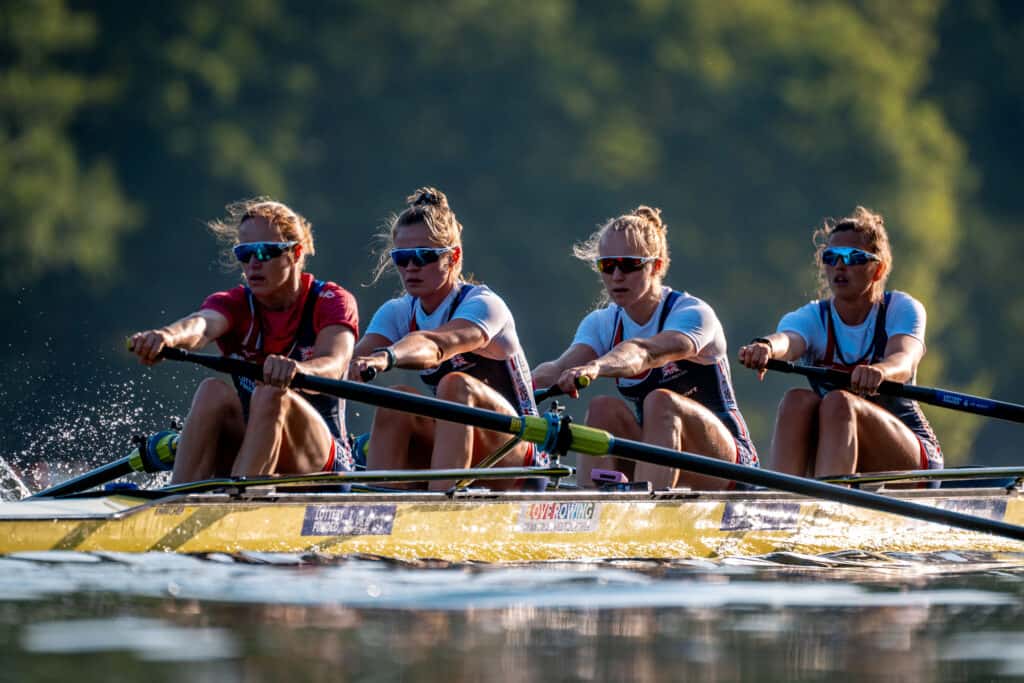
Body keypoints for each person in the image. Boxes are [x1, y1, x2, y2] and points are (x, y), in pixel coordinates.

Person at [129, 199, 359, 483]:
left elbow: (335, 365)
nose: (253, 263)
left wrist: (299, 370)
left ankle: (240, 499)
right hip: (257, 441)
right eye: (244, 253)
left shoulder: (331, 301)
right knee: (211, 391)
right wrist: (167, 336)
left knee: (271, 393)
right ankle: (175, 500)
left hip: (324, 462)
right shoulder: (235, 304)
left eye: (264, 252)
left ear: (295, 253)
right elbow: (201, 326)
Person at [532, 206, 759, 490]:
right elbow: (557, 369)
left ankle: (645, 511)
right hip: (664, 458)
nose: (616, 275)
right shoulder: (603, 322)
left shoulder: (692, 313)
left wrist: (597, 366)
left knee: (660, 401)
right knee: (602, 408)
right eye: (607, 265)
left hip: (729, 466)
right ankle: (589, 512)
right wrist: (518, 389)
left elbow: (644, 353)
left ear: (657, 266)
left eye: (629, 265)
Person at [349, 187, 544, 491]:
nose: (411, 267)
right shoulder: (397, 311)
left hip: (518, 454)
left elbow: (436, 346)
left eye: (424, 257)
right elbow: (348, 365)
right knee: (396, 400)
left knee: (456, 384)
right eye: (402, 258)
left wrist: (385, 357)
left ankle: (441, 502)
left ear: (453, 257)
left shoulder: (484, 305)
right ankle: (376, 508)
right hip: (457, 446)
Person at [737, 206, 942, 477]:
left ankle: (827, 504)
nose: (840, 266)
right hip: (839, 454)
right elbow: (789, 341)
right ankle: (781, 504)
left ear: (877, 270)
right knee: (796, 400)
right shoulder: (813, 316)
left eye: (853, 257)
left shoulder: (901, 308)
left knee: (839, 403)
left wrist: (880, 371)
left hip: (911, 457)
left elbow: (903, 360)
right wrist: (765, 347)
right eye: (831, 257)